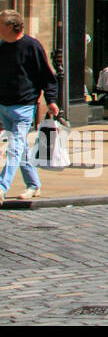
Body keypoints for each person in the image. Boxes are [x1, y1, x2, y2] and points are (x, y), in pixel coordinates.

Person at [0, 10, 59, 203]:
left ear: (10, 26)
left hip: (24, 106)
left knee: (14, 147)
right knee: (21, 148)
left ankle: (1, 187)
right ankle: (34, 184)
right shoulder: (2, 47)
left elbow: (46, 75)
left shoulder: (31, 46)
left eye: (1, 24)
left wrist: (51, 100)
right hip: (5, 105)